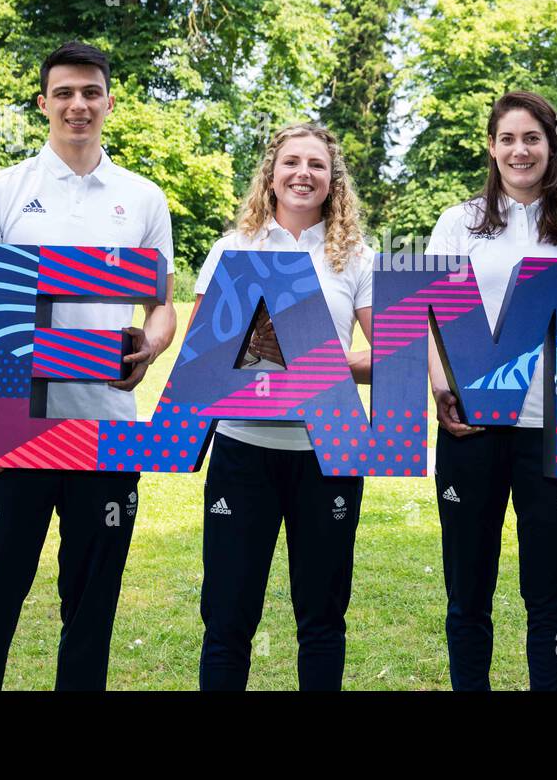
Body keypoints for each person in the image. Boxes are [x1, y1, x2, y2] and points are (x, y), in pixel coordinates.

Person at [0, 41, 177, 690]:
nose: (79, 104)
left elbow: (163, 308)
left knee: (90, 623)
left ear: (108, 101)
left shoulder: (144, 198)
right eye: (66, 93)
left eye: (91, 92)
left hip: (107, 437)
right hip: (13, 431)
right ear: (44, 103)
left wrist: (152, 345)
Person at [425, 90, 557, 691]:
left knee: (551, 595)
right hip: (471, 429)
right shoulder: (459, 223)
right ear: (491, 147)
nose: (519, 150)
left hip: (555, 436)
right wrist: (440, 389)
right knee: (467, 592)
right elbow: (429, 316)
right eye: (507, 138)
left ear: (553, 145)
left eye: (531, 137)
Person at [193, 122, 375, 691]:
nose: (304, 173)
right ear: (270, 174)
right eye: (291, 162)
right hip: (243, 451)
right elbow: (200, 361)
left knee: (321, 618)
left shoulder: (356, 258)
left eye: (317, 165)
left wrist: (323, 365)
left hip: (328, 455)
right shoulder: (233, 249)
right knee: (227, 617)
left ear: (332, 179)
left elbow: (392, 358)